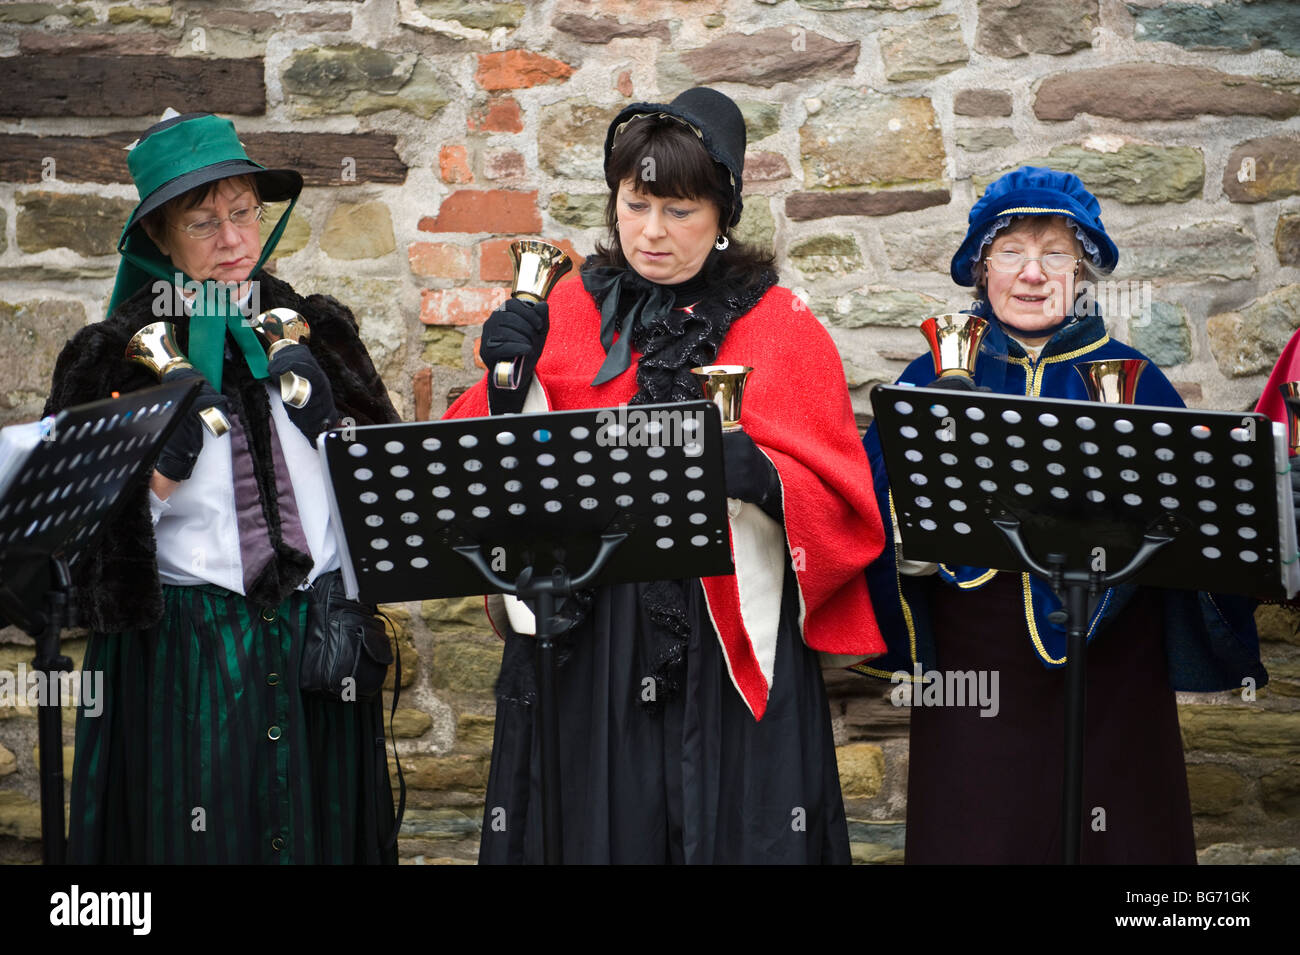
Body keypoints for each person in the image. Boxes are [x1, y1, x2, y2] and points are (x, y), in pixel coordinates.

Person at [445, 88, 886, 864]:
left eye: (679, 210)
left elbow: (844, 501)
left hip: (727, 637)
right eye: (637, 202)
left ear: (723, 217)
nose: (651, 232)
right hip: (592, 638)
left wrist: (766, 477)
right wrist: (512, 377)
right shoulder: (571, 306)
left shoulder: (781, 322)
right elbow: (482, 470)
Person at [859, 166, 1268, 863]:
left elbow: (1201, 529)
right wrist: (906, 535)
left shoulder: (1137, 376)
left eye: (1055, 252)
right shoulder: (929, 376)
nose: (1033, 273)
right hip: (977, 672)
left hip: (1113, 666)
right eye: (1012, 251)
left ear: (1082, 268)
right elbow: (871, 502)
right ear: (982, 266)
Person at [43, 111, 400, 864]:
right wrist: (162, 465)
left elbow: (391, 512)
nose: (233, 241)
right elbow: (67, 564)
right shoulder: (110, 360)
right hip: (185, 662)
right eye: (203, 223)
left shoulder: (318, 332)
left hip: (317, 648)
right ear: (160, 241)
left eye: (242, 213)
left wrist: (333, 430)